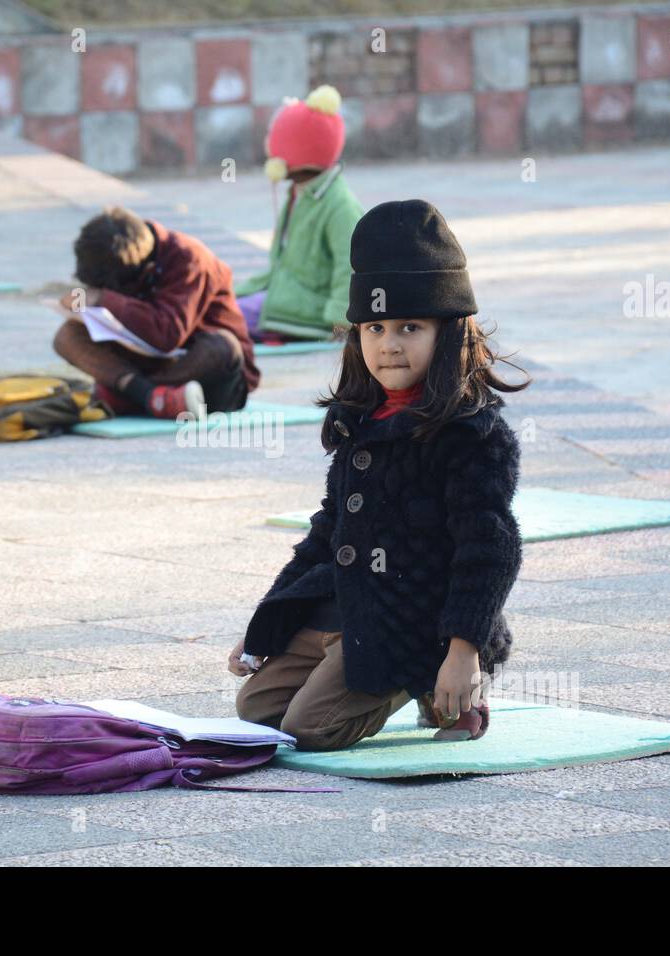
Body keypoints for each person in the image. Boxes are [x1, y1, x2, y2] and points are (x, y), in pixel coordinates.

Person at [229, 199, 532, 752]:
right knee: (256, 712)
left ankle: (439, 683)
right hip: (343, 604)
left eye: (410, 326)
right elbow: (327, 532)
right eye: (374, 327)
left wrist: (463, 652)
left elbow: (490, 551)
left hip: (415, 619)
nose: (389, 343)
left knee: (309, 730)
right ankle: (372, 671)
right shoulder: (357, 423)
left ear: (448, 332)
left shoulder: (472, 436)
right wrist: (263, 629)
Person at [52, 206, 261, 419]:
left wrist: (105, 299)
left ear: (146, 269)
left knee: (223, 346)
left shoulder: (190, 259)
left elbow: (167, 335)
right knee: (68, 335)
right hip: (148, 368)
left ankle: (136, 395)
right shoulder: (122, 264)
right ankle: (150, 396)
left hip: (204, 377)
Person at [233, 84, 364, 344]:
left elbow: (349, 268)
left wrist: (339, 323)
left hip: (309, 309)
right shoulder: (300, 193)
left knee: (220, 317)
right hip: (285, 293)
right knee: (218, 301)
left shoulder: (339, 205)